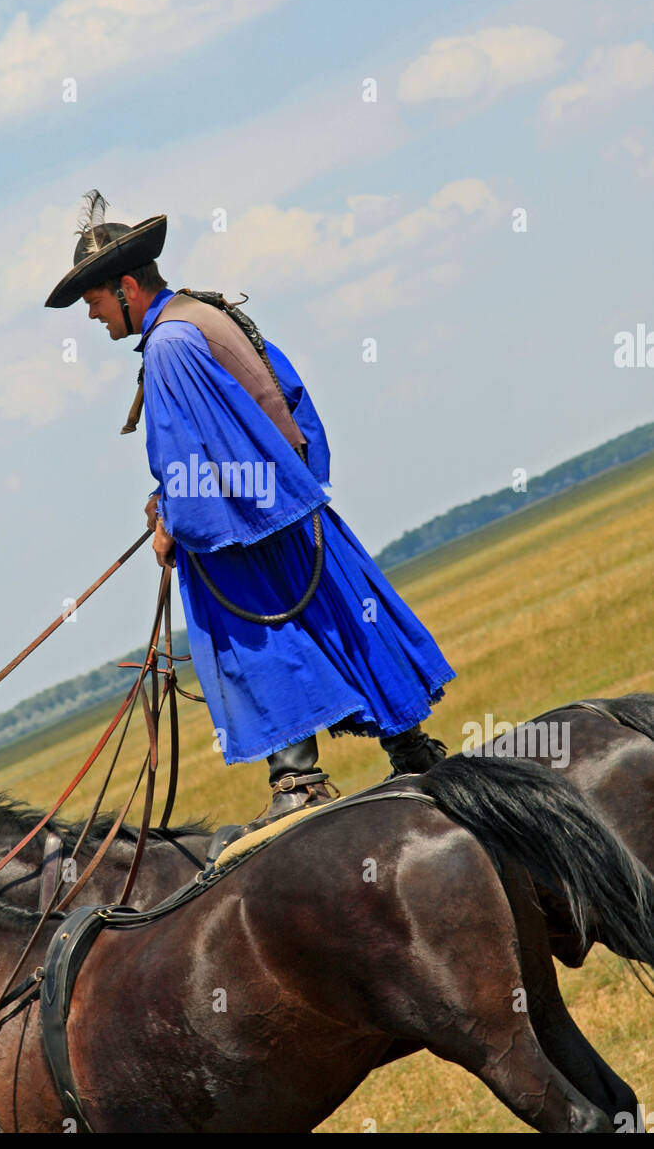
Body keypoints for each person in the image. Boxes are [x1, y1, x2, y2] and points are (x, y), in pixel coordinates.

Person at [46, 192, 455, 824]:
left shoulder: (168, 346)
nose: (93, 318)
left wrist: (174, 523)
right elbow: (291, 403)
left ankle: (300, 782)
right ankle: (410, 750)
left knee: (256, 641)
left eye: (95, 302)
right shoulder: (202, 314)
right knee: (339, 625)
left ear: (126, 286)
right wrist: (294, 491)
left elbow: (190, 453)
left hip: (241, 534)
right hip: (286, 517)